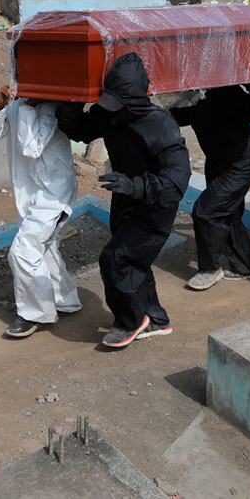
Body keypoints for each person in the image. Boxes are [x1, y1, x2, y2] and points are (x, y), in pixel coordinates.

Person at [57, 53, 191, 348]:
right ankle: (155, 318)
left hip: (155, 206)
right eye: (109, 101)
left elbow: (176, 182)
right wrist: (71, 107)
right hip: (124, 199)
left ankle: (130, 321)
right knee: (134, 264)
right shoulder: (111, 112)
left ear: (136, 98)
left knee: (115, 259)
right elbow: (82, 130)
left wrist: (134, 185)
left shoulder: (162, 125)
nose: (111, 110)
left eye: (119, 102)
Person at [0, 85, 81, 338]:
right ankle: (65, 300)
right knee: (44, 247)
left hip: (53, 194)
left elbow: (31, 146)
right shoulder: (21, 101)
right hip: (30, 193)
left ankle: (35, 314)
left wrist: (27, 106)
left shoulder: (50, 106)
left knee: (23, 251)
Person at [171, 80, 250, 290]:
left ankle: (210, 269)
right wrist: (169, 102)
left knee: (205, 212)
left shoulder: (228, 92)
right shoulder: (195, 95)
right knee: (227, 213)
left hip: (242, 164)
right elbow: (181, 117)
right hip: (217, 161)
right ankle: (247, 265)